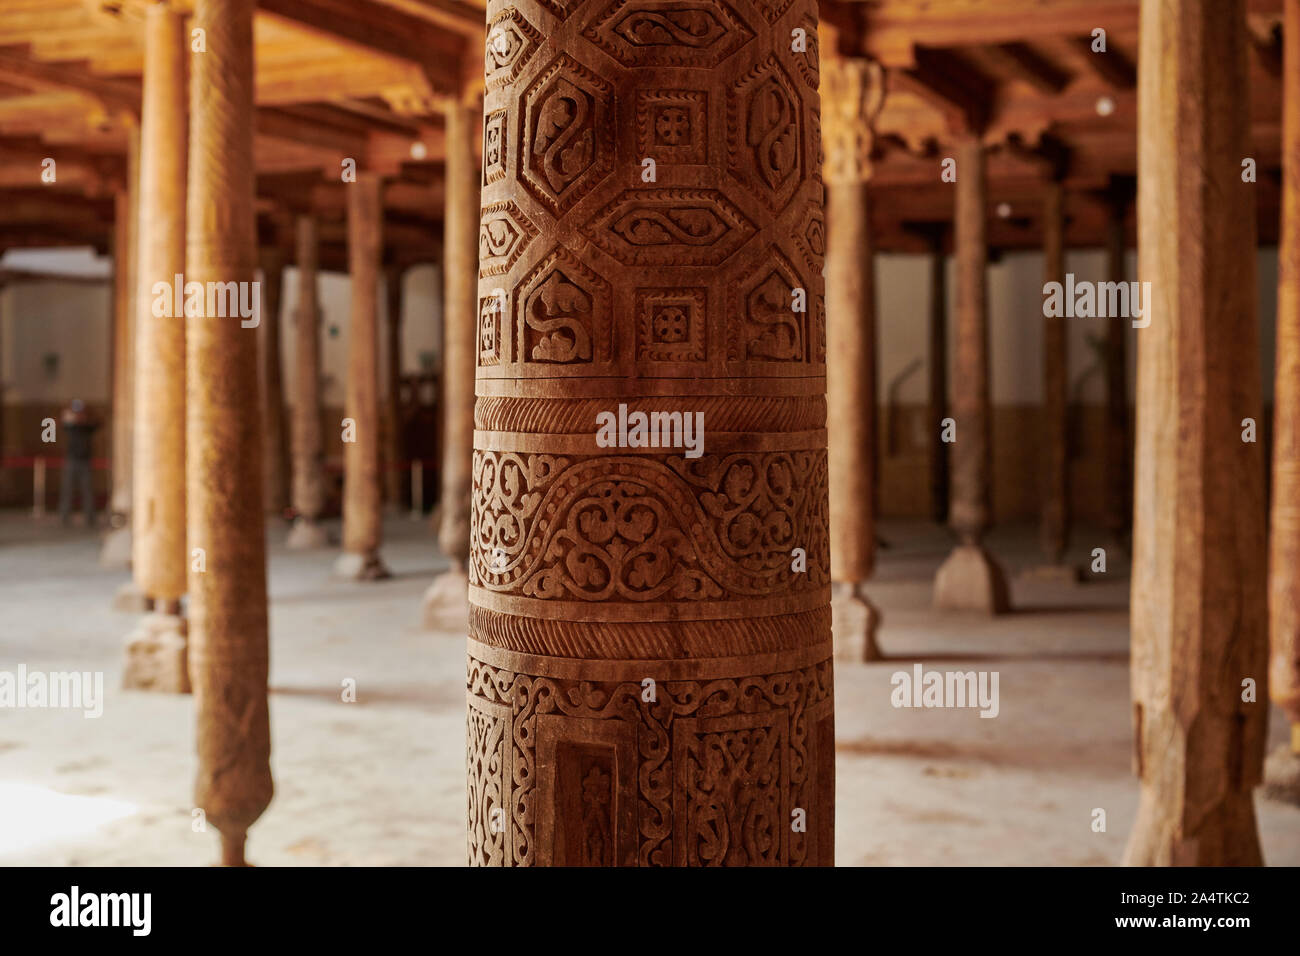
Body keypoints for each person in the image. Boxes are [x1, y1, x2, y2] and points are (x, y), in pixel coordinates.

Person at [58, 399, 99, 527]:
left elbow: (99, 422)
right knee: (67, 489)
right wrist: (68, 415)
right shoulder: (71, 425)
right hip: (71, 460)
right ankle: (64, 516)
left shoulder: (88, 426)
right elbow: (60, 422)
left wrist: (87, 416)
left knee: (87, 490)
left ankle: (90, 517)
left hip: (85, 461)